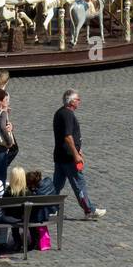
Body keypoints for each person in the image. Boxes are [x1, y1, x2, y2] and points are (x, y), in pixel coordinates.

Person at [52, 90, 106, 220]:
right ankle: (89, 210)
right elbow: (68, 136)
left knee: (56, 186)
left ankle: (49, 209)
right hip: (69, 157)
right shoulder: (68, 115)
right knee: (79, 184)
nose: (79, 101)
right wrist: (76, 154)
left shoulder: (59, 112)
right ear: (71, 101)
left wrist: (78, 148)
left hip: (60, 155)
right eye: (77, 99)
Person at [1, 165, 29, 252]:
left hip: (11, 218)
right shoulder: (28, 192)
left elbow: (3, 206)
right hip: (24, 217)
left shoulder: (8, 192)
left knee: (6, 216)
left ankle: (13, 242)